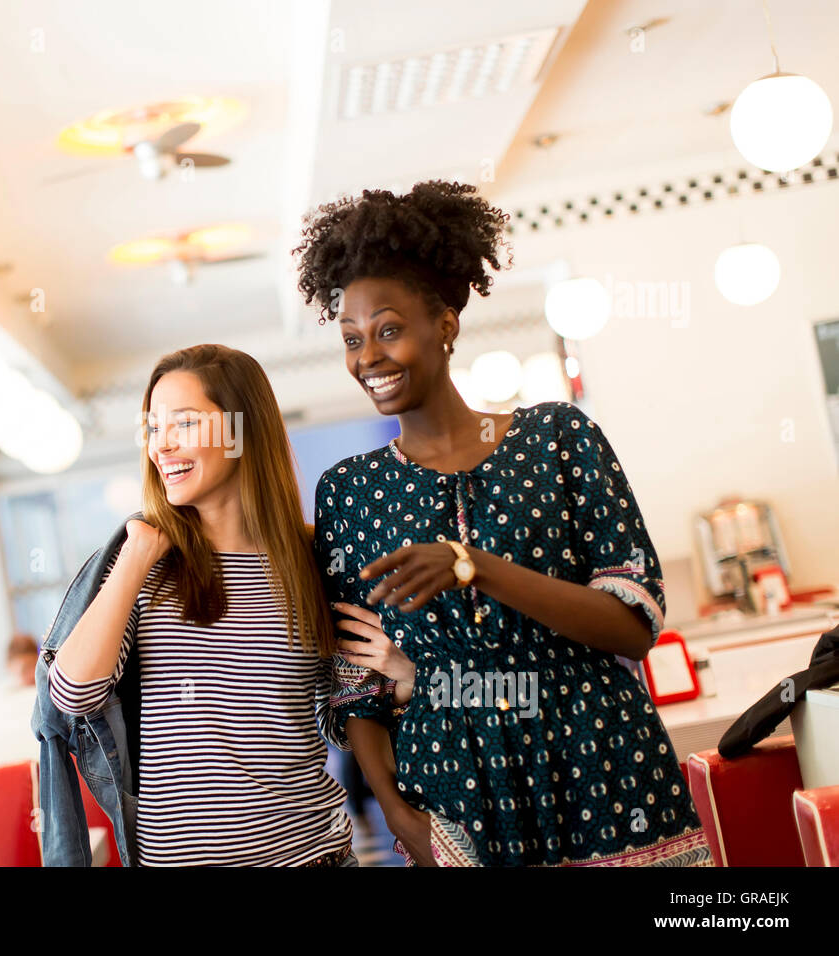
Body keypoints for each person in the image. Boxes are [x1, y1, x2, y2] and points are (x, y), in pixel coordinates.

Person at [292, 182, 712, 867]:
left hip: (603, 759)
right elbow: (353, 685)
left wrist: (474, 565)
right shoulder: (350, 493)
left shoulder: (558, 438)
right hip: (455, 793)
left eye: (389, 329)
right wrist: (400, 817)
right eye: (351, 339)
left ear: (446, 325)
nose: (367, 356)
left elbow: (633, 626)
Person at [46, 344, 369, 866]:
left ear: (245, 430)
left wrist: (392, 681)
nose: (162, 446)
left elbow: (343, 721)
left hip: (312, 855)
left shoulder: (312, 562)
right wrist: (135, 558)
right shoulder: (143, 563)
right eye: (153, 428)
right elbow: (73, 693)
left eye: (185, 423)